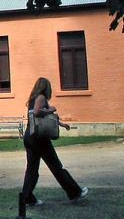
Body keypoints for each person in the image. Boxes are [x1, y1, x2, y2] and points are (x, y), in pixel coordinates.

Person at [21, 77, 89, 207]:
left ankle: (27, 197)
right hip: (39, 138)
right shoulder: (41, 97)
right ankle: (74, 192)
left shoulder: (33, 98)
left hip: (30, 136)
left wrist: (61, 123)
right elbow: (37, 112)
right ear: (46, 87)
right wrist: (50, 109)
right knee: (56, 166)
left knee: (32, 169)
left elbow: (43, 118)